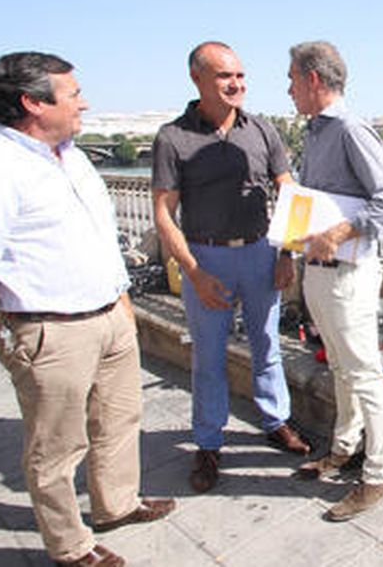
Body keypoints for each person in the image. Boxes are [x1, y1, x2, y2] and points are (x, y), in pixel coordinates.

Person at [0, 52, 174, 567]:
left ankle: (117, 504)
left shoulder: (75, 157)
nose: (83, 101)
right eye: (72, 93)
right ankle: (69, 545)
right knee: (56, 448)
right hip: (50, 331)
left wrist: (120, 302)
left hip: (110, 316)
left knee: (118, 419)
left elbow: (102, 243)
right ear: (33, 103)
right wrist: (25, 316)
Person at [152, 41, 310, 494]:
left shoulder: (261, 130)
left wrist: (286, 253)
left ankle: (275, 420)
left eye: (240, 76)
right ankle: (208, 443)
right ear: (197, 79)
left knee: (267, 344)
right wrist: (192, 271)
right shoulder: (173, 137)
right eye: (224, 76)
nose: (236, 84)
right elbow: (163, 214)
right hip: (208, 258)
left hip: (261, 252)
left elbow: (289, 193)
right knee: (208, 358)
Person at [286, 40, 383, 521]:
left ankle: (379, 474)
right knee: (339, 366)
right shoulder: (315, 133)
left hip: (349, 273)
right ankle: (343, 447)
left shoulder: (352, 131)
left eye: (293, 79)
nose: (289, 89)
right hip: (319, 271)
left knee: (363, 373)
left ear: (314, 79)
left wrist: (337, 231)